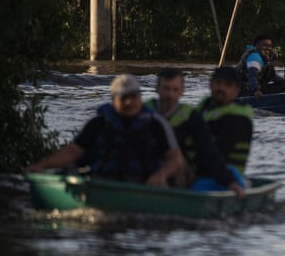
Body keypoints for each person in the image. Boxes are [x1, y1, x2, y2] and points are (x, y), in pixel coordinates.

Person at [26, 74, 184, 186]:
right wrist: (42, 165)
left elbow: (175, 159)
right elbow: (72, 152)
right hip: (103, 183)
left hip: (142, 184)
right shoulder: (99, 123)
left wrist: (161, 175)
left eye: (133, 97)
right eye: (124, 98)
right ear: (113, 100)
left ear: (140, 98)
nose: (129, 102)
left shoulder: (156, 123)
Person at [146, 68, 244, 197]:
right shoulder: (144, 111)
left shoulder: (191, 117)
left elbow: (208, 152)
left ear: (182, 92)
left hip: (179, 174)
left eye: (175, 90)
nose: (170, 95)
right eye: (166, 88)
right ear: (157, 89)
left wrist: (230, 182)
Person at [198, 67, 255, 180]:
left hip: (227, 177)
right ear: (210, 84)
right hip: (203, 171)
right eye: (218, 83)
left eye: (228, 85)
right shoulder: (205, 105)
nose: (221, 88)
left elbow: (216, 153)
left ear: (236, 90)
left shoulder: (239, 117)